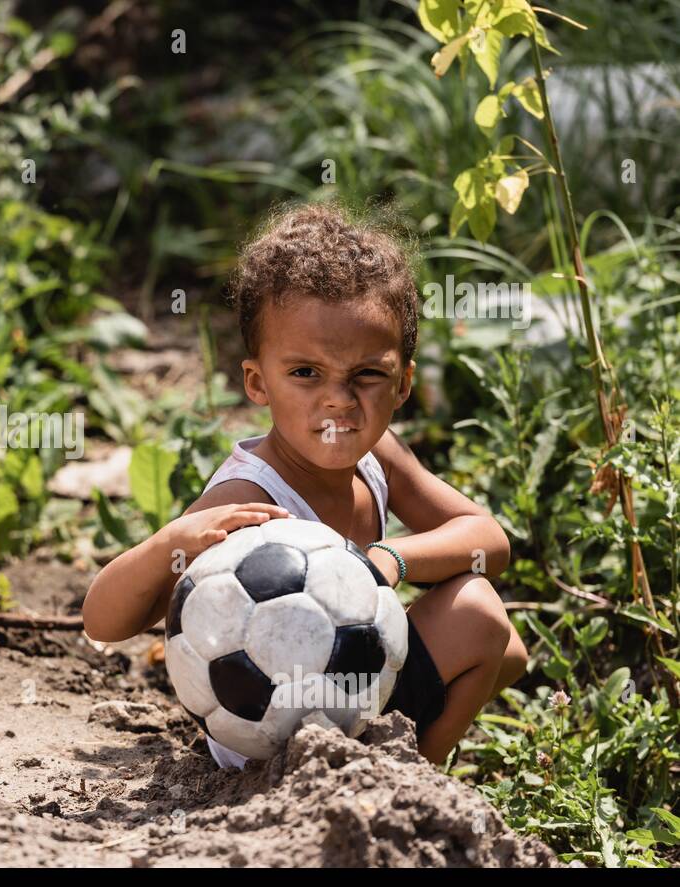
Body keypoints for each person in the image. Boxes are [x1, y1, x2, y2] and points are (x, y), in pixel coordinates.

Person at [81, 202, 528, 766]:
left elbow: (489, 539)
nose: (338, 398)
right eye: (305, 373)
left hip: (353, 690)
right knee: (480, 617)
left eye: (367, 374)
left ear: (403, 383)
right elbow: (100, 620)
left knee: (505, 645)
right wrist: (174, 542)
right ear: (256, 381)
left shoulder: (378, 455)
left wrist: (390, 558)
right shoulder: (247, 499)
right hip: (273, 736)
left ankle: (413, 773)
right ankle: (401, 779)